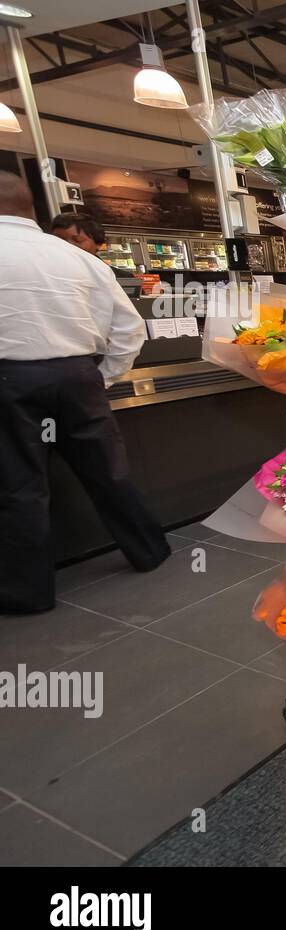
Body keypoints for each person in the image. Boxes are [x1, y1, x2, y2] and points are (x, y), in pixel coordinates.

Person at [0, 171, 169, 614]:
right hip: (77, 376)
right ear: (30, 208)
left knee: (20, 486)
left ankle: (28, 594)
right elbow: (128, 327)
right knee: (109, 471)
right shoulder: (77, 257)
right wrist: (102, 376)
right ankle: (150, 551)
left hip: (9, 380)